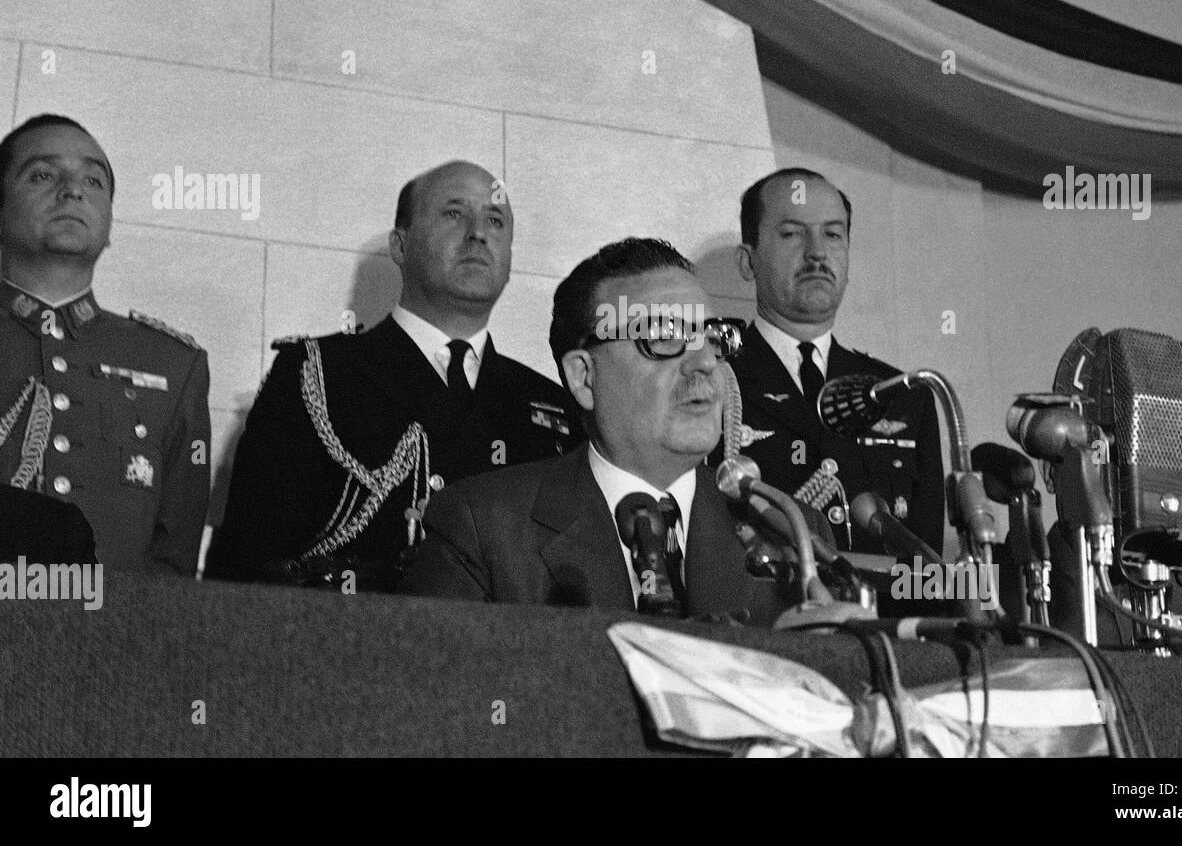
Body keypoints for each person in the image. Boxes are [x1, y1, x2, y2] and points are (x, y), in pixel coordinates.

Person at [401, 237, 832, 624]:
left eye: (713, 337)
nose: (705, 363)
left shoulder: (792, 533)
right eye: (664, 335)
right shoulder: (483, 527)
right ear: (585, 378)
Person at [207, 161, 572, 591]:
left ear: (509, 257)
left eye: (495, 220)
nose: (478, 232)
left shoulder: (551, 403)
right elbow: (245, 564)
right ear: (400, 245)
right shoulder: (316, 374)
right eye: (454, 213)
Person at [0, 114, 211, 573]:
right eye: (42, 174)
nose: (73, 190)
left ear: (110, 225)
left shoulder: (174, 365)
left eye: (93, 181)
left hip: (104, 637)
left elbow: (170, 568)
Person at [714, 168, 946, 557]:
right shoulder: (714, 382)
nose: (817, 252)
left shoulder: (901, 395)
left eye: (833, 234)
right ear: (747, 262)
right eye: (791, 233)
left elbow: (923, 570)